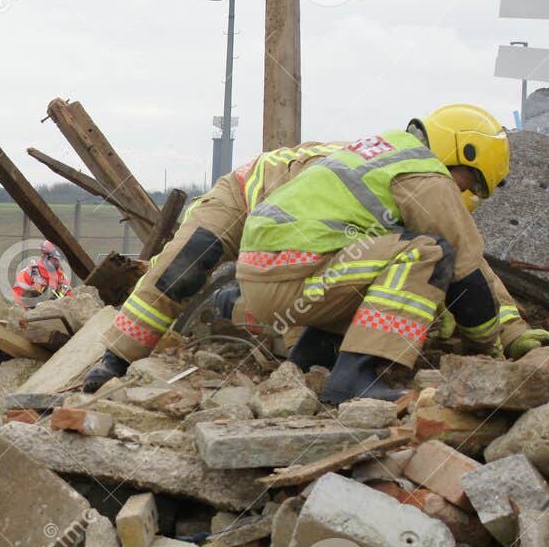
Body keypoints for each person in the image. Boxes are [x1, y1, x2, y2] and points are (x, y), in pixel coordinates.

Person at [231, 105, 549, 406]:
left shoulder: (384, 153)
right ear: (462, 153)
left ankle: (313, 360)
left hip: (265, 274)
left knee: (379, 259)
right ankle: (355, 376)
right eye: (471, 181)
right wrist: (490, 347)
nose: (463, 193)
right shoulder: (427, 177)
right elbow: (467, 272)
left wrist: (512, 327)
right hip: (297, 274)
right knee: (430, 253)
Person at [81, 140, 349, 391]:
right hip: (240, 199)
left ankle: (230, 306)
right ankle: (116, 359)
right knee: (182, 269)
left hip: (296, 221)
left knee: (315, 282)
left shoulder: (375, 184)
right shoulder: (346, 175)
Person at [12, 241, 72, 307]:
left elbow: (69, 300)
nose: (58, 262)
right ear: (45, 257)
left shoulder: (63, 279)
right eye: (55, 259)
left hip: (57, 314)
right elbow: (17, 295)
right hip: (32, 314)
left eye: (60, 259)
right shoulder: (29, 272)